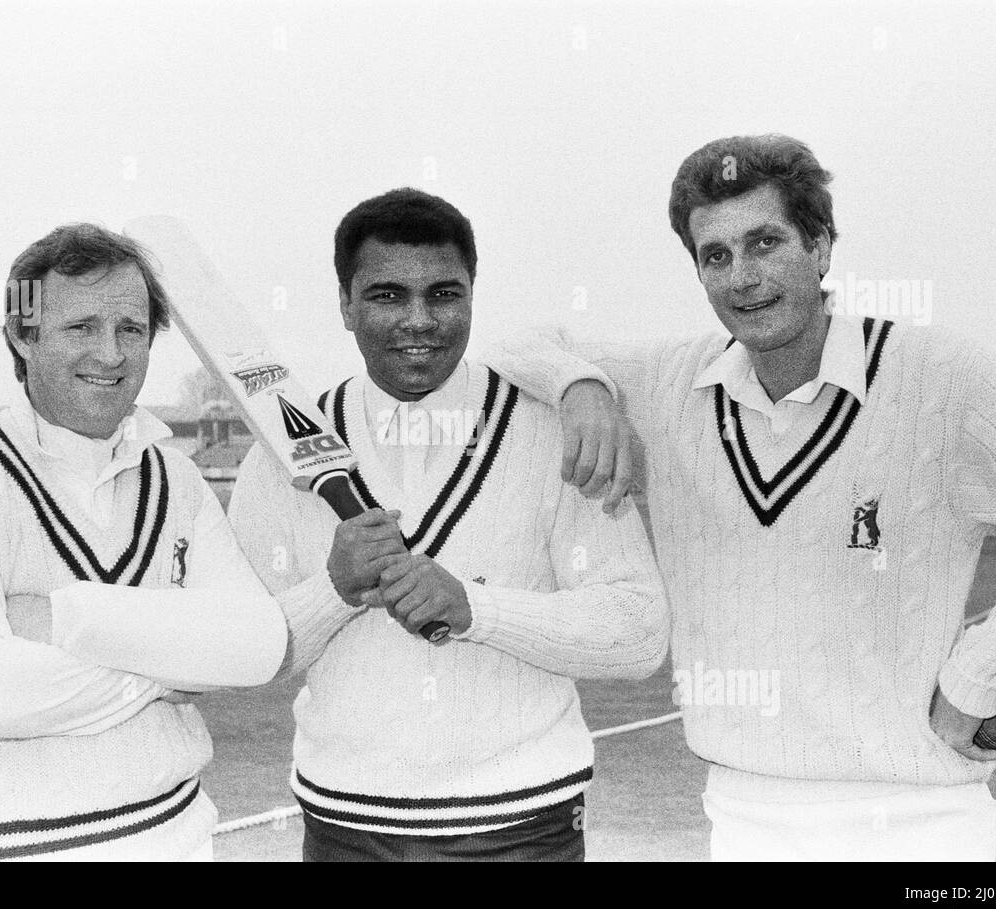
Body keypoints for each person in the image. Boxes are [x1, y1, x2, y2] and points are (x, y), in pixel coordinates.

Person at [483, 134, 996, 861]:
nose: (743, 276)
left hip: (923, 822)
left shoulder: (937, 375)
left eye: (765, 242)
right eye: (716, 255)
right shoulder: (671, 383)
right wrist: (579, 385)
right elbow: (510, 344)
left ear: (822, 245)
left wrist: (982, 670)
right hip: (743, 814)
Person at [225, 188, 670, 861]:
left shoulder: (552, 430)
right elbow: (244, 658)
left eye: (443, 293)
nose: (419, 319)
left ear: (471, 294)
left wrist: (476, 609)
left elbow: (638, 633)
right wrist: (333, 591)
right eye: (386, 296)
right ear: (345, 304)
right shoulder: (282, 451)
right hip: (347, 825)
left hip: (523, 825)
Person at [0, 223, 290, 861]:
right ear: (22, 334)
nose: (111, 354)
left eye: (131, 329)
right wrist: (166, 669)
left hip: (174, 838)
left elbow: (257, 645)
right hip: (2, 850)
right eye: (82, 328)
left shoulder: (175, 477)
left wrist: (59, 619)